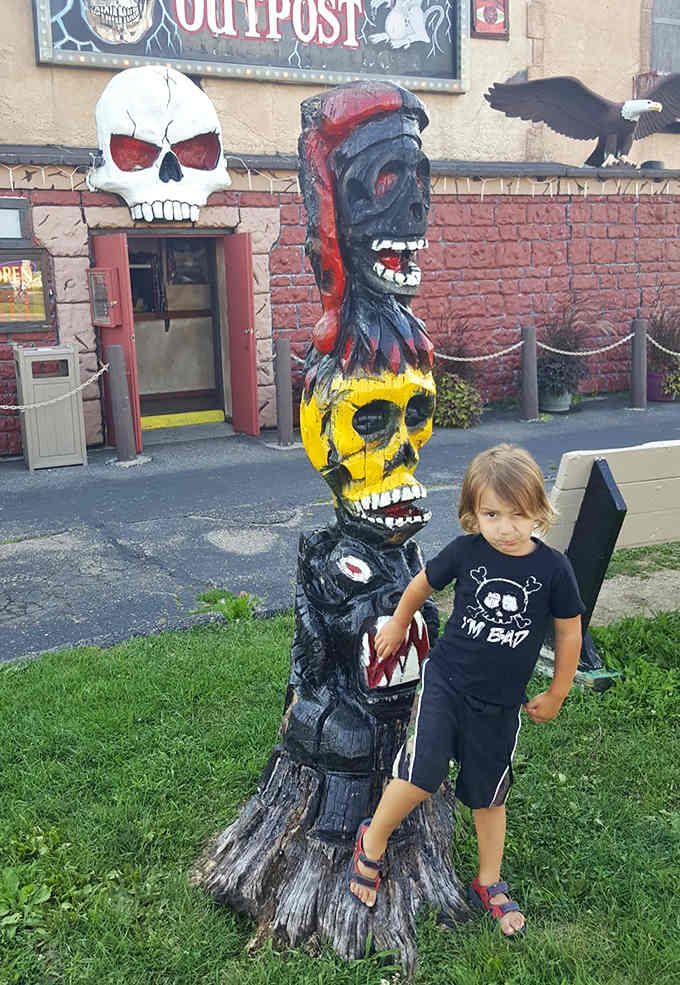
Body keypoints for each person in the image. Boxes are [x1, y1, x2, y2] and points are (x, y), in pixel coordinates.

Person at [348, 443, 584, 937]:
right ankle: (372, 841)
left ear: (538, 511)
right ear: (474, 514)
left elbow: (569, 632)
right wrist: (398, 622)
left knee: (488, 796)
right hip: (447, 682)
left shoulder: (554, 570)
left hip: (500, 704)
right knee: (420, 774)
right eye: (492, 514)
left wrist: (559, 691)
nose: (505, 526)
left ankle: (489, 880)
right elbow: (421, 585)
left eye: (518, 515)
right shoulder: (467, 552)